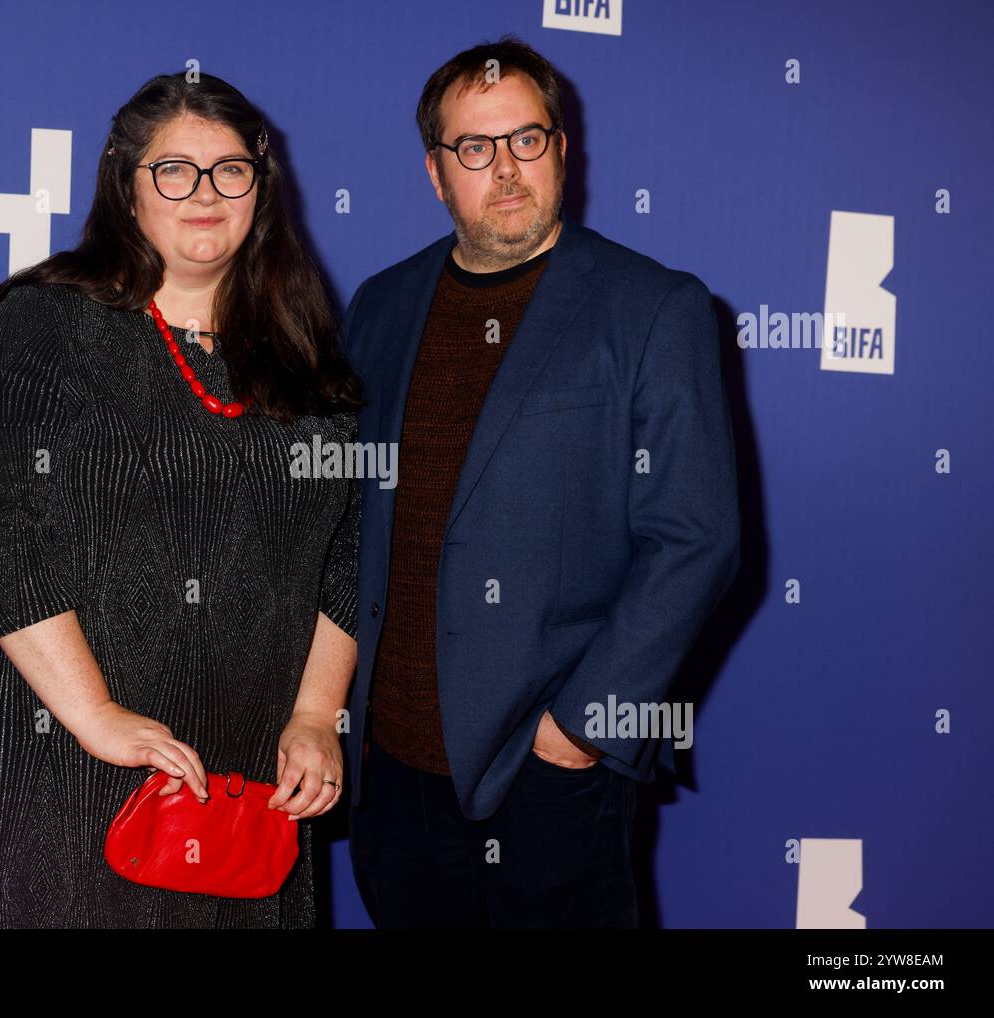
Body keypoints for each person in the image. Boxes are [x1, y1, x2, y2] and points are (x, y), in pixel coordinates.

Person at [0, 71, 362, 928]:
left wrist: (318, 715)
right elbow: (1, 538)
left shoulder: (306, 359)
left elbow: (348, 556)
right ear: (128, 187)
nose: (205, 193)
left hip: (252, 769)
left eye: (230, 170)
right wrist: (98, 717)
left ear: (261, 187)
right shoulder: (44, 325)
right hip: (75, 757)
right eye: (174, 169)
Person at [342, 36, 741, 928]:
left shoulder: (654, 308)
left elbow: (696, 537)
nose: (507, 169)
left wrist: (580, 732)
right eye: (475, 149)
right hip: (392, 776)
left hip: (546, 778)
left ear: (563, 151)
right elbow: (347, 519)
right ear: (436, 175)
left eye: (527, 139)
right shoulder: (380, 305)